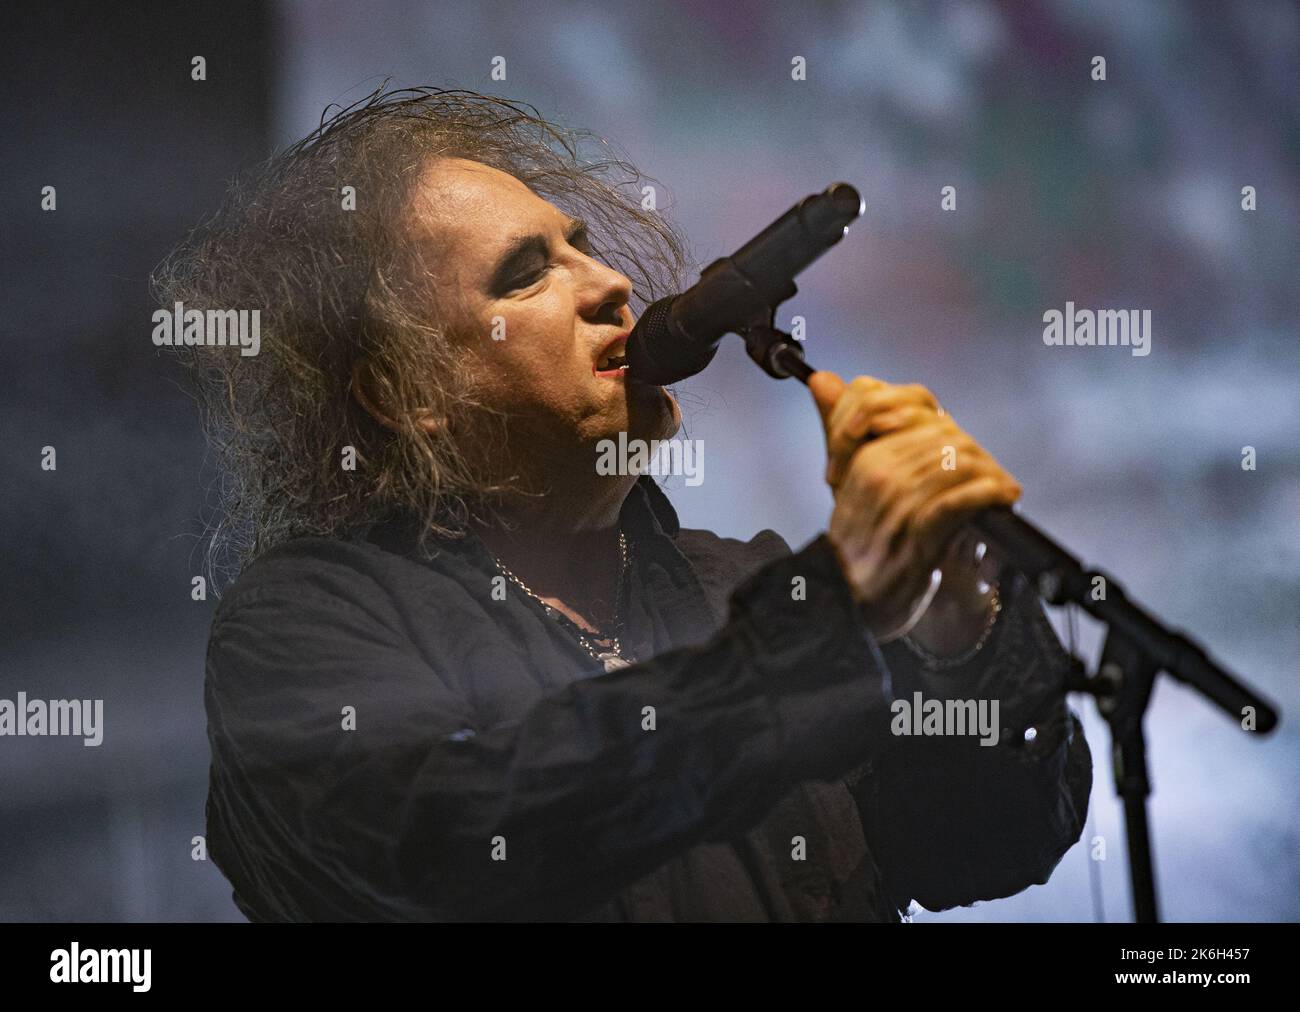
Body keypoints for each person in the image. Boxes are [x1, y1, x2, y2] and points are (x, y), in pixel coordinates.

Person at [156, 86, 1092, 922]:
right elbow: (452, 847)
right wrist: (823, 627)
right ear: (408, 396)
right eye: (526, 273)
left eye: (585, 250)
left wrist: (961, 628)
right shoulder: (307, 627)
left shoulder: (754, 582)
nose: (610, 285)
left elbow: (984, 848)